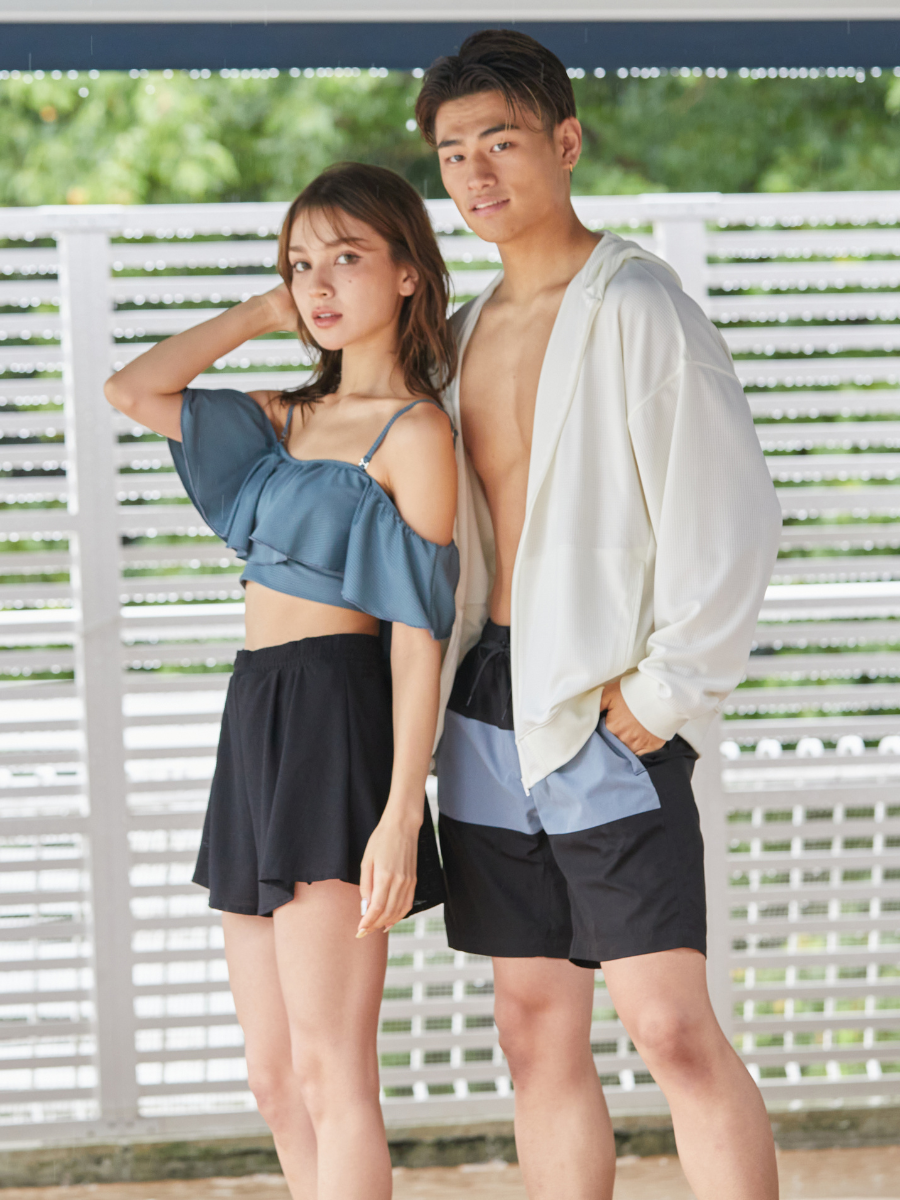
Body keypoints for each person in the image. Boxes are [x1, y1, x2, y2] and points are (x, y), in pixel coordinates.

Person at [416, 31, 783, 1200]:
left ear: (567, 142)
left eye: (502, 142)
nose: (476, 174)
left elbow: (732, 516)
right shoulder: (460, 336)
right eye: (453, 153)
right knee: (533, 1028)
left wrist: (662, 696)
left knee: (669, 1025)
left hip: (603, 703)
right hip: (486, 702)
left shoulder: (639, 306)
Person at [104, 162, 458, 1200]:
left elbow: (418, 638)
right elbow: (134, 389)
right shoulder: (278, 417)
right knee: (274, 1080)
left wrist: (402, 813)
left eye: (346, 257)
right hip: (255, 712)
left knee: (330, 1071)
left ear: (408, 272)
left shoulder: (416, 431)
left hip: (338, 717)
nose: (320, 283)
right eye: (302, 264)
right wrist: (267, 310)